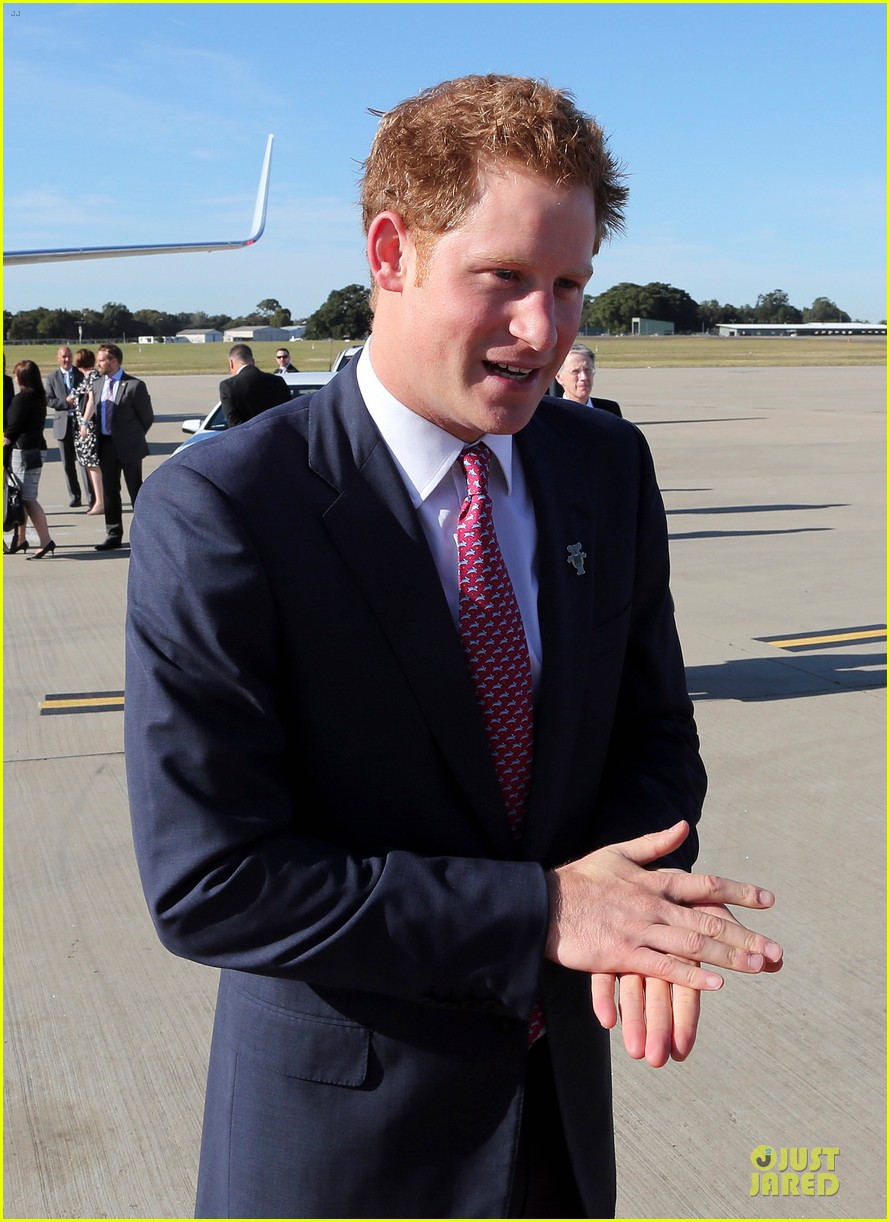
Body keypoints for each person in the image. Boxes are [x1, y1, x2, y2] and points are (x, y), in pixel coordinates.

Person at [126, 74, 782, 1219]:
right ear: (391, 252)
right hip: (342, 1149)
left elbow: (651, 738)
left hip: (554, 1125)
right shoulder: (227, 508)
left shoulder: (601, 470)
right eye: (505, 279)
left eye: (571, 285)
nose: (544, 331)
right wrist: (547, 913)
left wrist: (642, 902)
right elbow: (211, 881)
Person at [92, 344, 153, 552]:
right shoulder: (97, 385)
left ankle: (145, 534)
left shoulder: (135, 385)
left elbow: (147, 417)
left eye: (101, 360)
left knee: (136, 489)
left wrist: (132, 437)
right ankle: (113, 533)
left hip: (130, 447)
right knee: (110, 492)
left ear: (114, 361)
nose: (98, 364)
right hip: (106, 445)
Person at [4, 360, 55, 558]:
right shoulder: (38, 397)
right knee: (23, 497)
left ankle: (45, 540)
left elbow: (12, 429)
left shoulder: (22, 399)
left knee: (27, 499)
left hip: (24, 452)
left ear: (22, 378)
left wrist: (4, 440)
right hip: (35, 450)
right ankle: (21, 538)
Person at [44, 345, 91, 507]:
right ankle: (75, 496)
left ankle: (91, 497)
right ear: (58, 359)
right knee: (68, 465)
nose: (66, 359)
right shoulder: (51, 378)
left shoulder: (81, 375)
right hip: (62, 425)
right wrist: (65, 402)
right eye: (63, 357)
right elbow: (48, 400)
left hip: (80, 424)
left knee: (84, 462)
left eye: (68, 356)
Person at [218, 343, 291, 426]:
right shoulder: (278, 381)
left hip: (248, 437)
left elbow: (234, 424)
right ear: (253, 362)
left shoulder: (228, 386)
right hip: (279, 436)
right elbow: (290, 414)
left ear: (231, 363)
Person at [71, 350, 105, 516]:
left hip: (89, 428)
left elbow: (92, 400)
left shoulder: (92, 377)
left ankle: (100, 501)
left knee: (92, 464)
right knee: (90, 465)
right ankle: (99, 500)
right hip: (85, 426)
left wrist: (84, 422)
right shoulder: (89, 377)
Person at [555, 344, 622, 416]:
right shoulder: (550, 413)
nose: (584, 377)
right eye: (575, 372)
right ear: (559, 377)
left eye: (587, 370)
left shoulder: (610, 410)